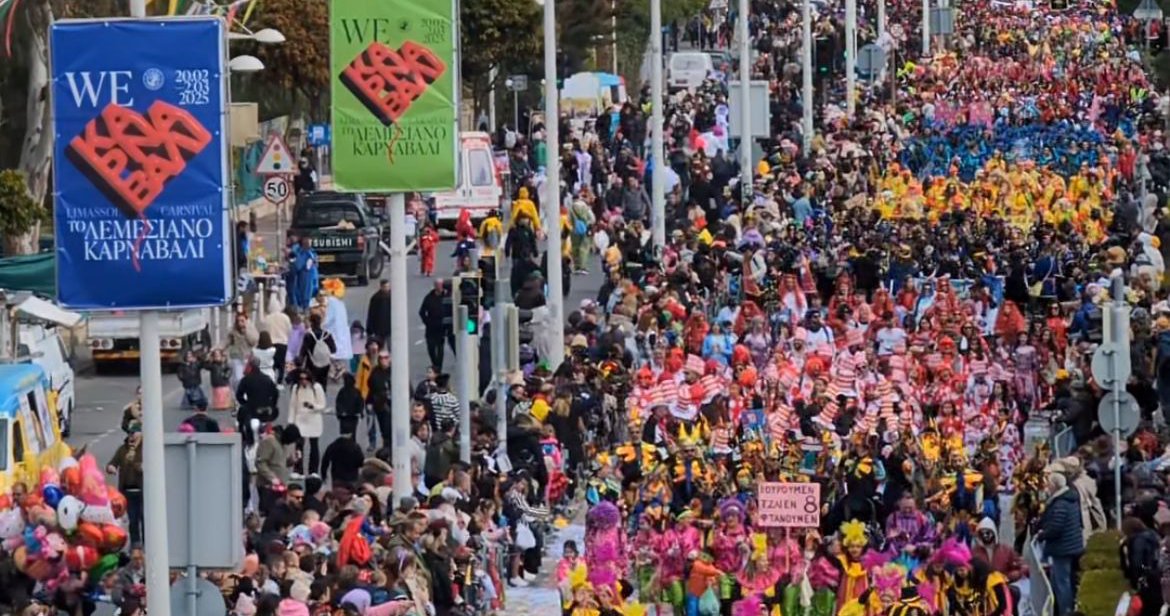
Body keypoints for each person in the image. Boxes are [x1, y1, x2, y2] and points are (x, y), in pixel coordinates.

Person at [1037, 471, 1085, 616]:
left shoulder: (1060, 504)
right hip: (1072, 545)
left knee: (1062, 583)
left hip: (1063, 548)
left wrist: (1042, 534)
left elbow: (1056, 527)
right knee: (1067, 581)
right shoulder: (1071, 499)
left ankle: (1065, 611)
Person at [105, 430, 144, 545]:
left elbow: (145, 469)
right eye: (130, 434)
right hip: (127, 491)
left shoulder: (146, 449)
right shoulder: (123, 449)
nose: (132, 437)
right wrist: (111, 467)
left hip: (143, 491)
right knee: (133, 520)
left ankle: (148, 546)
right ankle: (135, 545)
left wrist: (134, 463)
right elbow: (112, 463)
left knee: (144, 518)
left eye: (135, 434)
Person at [1122, 516, 1163, 616]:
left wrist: (1135, 580)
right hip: (1157, 579)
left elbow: (1137, 563)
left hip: (1145, 582)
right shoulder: (1154, 535)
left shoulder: (1137, 541)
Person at [288, 369, 326, 477]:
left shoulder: (317, 388)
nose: (303, 381)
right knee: (299, 446)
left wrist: (312, 406)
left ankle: (313, 471)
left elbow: (322, 405)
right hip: (300, 419)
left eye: (306, 379)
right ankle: (298, 469)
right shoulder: (296, 388)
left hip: (313, 419)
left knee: (314, 445)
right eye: (301, 379)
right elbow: (292, 405)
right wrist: (291, 421)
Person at [418, 279, 453, 370]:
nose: (440, 287)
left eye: (441, 285)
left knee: (440, 348)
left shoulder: (447, 297)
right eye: (438, 285)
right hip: (431, 328)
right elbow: (422, 311)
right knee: (431, 348)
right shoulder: (429, 297)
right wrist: (427, 322)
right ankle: (434, 363)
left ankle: (438, 367)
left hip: (442, 327)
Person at [298, 312, 336, 390]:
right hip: (325, 364)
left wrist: (299, 363)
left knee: (311, 385)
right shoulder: (327, 335)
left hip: (311, 364)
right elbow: (334, 349)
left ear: (311, 323)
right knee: (323, 385)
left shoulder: (308, 336)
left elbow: (303, 352)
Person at [423, 418, 460, 491]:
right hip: (440, 477)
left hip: (428, 476)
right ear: (453, 429)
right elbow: (457, 454)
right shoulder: (447, 442)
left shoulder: (433, 440)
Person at [335, 373, 364, 437]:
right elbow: (360, 403)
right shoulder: (356, 391)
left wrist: (340, 412)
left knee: (346, 435)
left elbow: (338, 403)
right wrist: (359, 412)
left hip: (347, 417)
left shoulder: (342, 391)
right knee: (351, 434)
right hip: (349, 417)